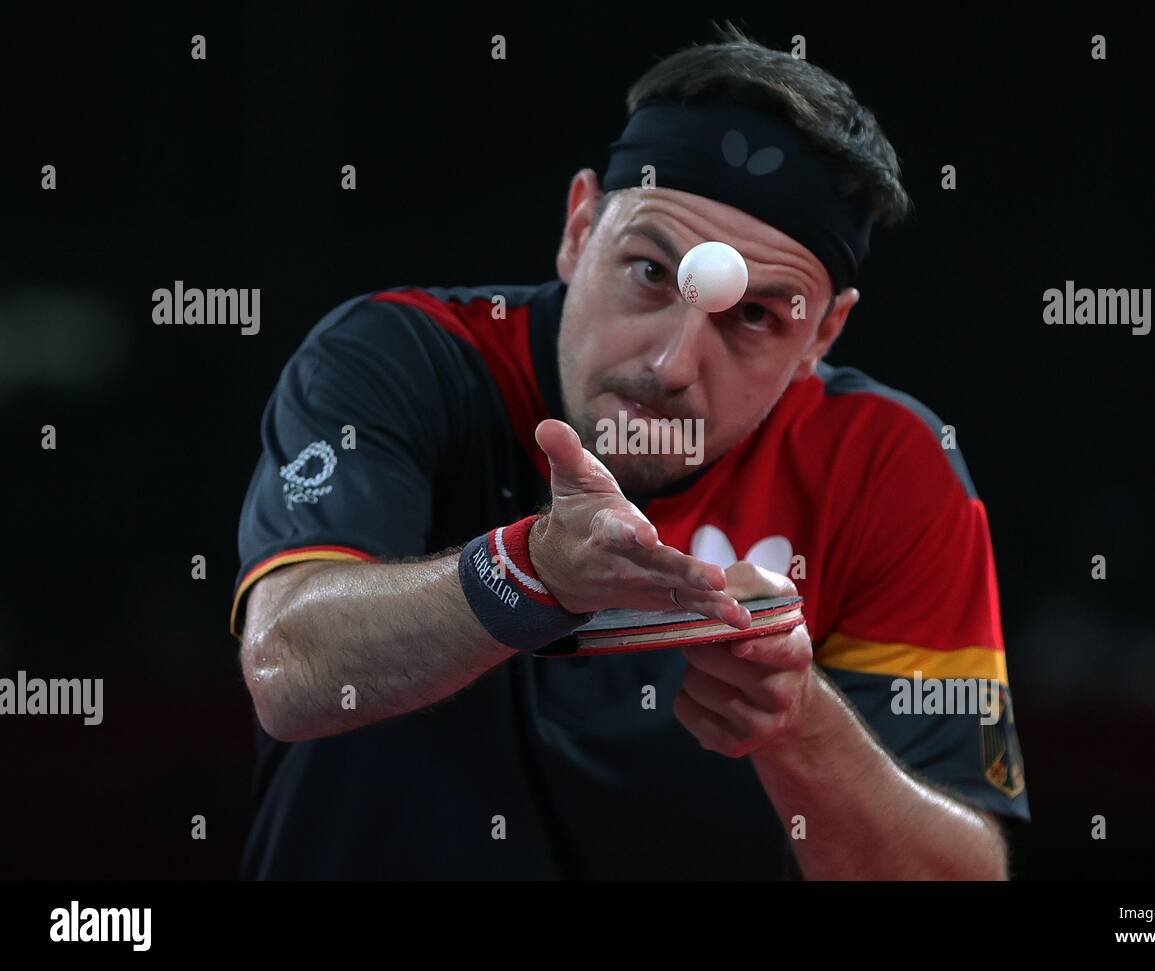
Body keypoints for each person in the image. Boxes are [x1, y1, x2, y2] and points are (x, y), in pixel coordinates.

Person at [231, 25, 1028, 879]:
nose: (671, 365)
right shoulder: (399, 358)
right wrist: (528, 574)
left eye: (756, 317)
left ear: (822, 335)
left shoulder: (888, 466)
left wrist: (804, 729)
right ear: (580, 228)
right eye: (651, 272)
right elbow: (288, 666)